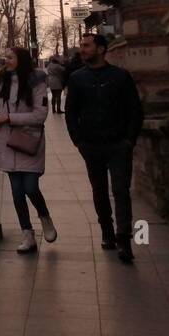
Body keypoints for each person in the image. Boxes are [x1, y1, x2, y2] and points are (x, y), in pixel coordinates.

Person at [66, 32, 144, 262]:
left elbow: (135, 110)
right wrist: (78, 141)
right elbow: (71, 112)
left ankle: (124, 239)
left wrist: (129, 139)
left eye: (87, 46)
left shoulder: (120, 76)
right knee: (99, 191)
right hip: (91, 145)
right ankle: (107, 233)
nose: (82, 49)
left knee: (121, 191)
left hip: (118, 143)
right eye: (81, 45)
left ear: (101, 49)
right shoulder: (78, 78)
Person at [0, 47, 56, 254]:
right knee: (17, 191)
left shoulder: (37, 81)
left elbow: (40, 115)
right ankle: (27, 233)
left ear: (21, 59)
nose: (6, 60)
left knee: (30, 187)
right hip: (5, 141)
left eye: (11, 57)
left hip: (28, 141)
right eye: (6, 56)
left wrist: (10, 118)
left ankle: (45, 217)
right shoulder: (0, 80)